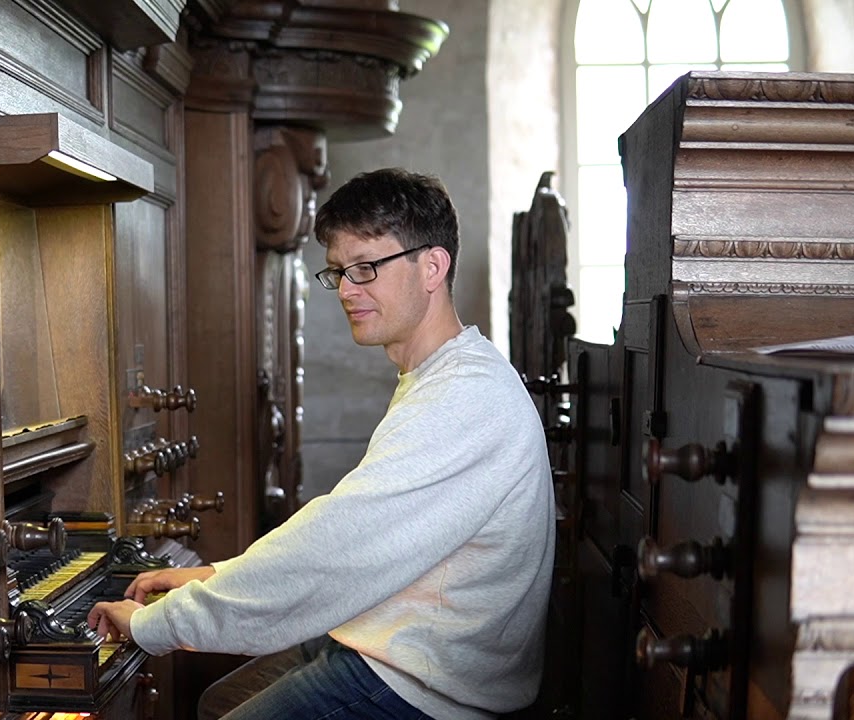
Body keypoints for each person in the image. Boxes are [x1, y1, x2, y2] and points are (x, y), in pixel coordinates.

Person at [88, 168, 555, 720]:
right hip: (399, 636)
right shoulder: (440, 376)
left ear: (432, 266)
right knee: (217, 701)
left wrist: (155, 624)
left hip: (429, 687)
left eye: (366, 268)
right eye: (339, 273)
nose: (348, 291)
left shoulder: (464, 396)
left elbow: (338, 547)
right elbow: (346, 535)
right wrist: (208, 575)